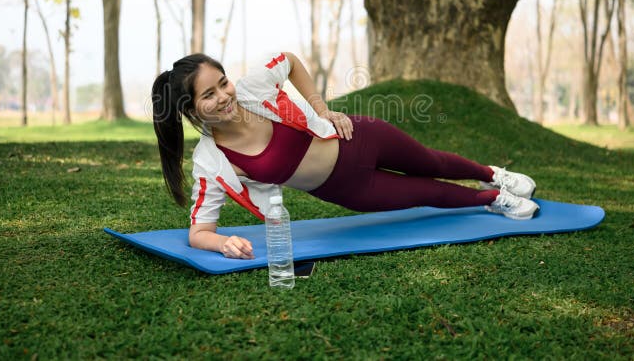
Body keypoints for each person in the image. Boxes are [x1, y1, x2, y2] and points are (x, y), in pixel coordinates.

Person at [152, 51, 539, 260]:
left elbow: (288, 60)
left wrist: (322, 110)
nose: (224, 96)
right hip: (349, 188)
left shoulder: (254, 88)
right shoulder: (213, 161)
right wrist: (223, 244)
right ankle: (493, 199)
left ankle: (492, 173)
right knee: (427, 193)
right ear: (190, 109)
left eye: (223, 83)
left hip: (359, 137)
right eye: (209, 95)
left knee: (432, 162)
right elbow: (199, 233)